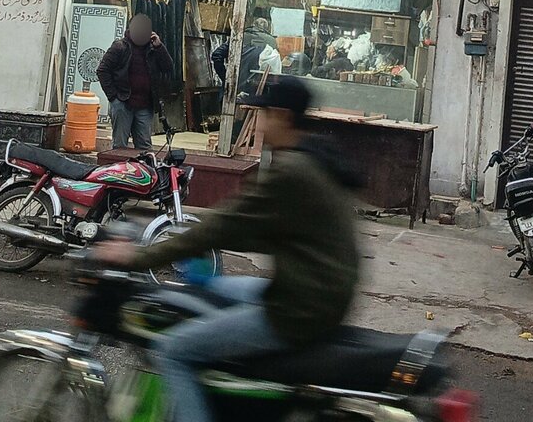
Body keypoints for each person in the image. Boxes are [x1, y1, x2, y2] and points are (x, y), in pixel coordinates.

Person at [95, 75, 360, 422]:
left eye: (265, 115)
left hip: (297, 310)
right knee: (211, 288)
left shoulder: (292, 171)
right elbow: (254, 230)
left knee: (172, 350)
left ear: (281, 117)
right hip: (314, 293)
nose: (260, 124)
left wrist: (139, 256)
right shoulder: (312, 159)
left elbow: (224, 224)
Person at [96, 13, 174, 149]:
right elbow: (102, 70)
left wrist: (159, 46)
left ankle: (142, 170)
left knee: (144, 146)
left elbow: (168, 67)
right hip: (123, 103)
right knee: (120, 146)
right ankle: (119, 170)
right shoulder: (120, 47)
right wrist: (113, 97)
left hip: (145, 105)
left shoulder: (152, 48)